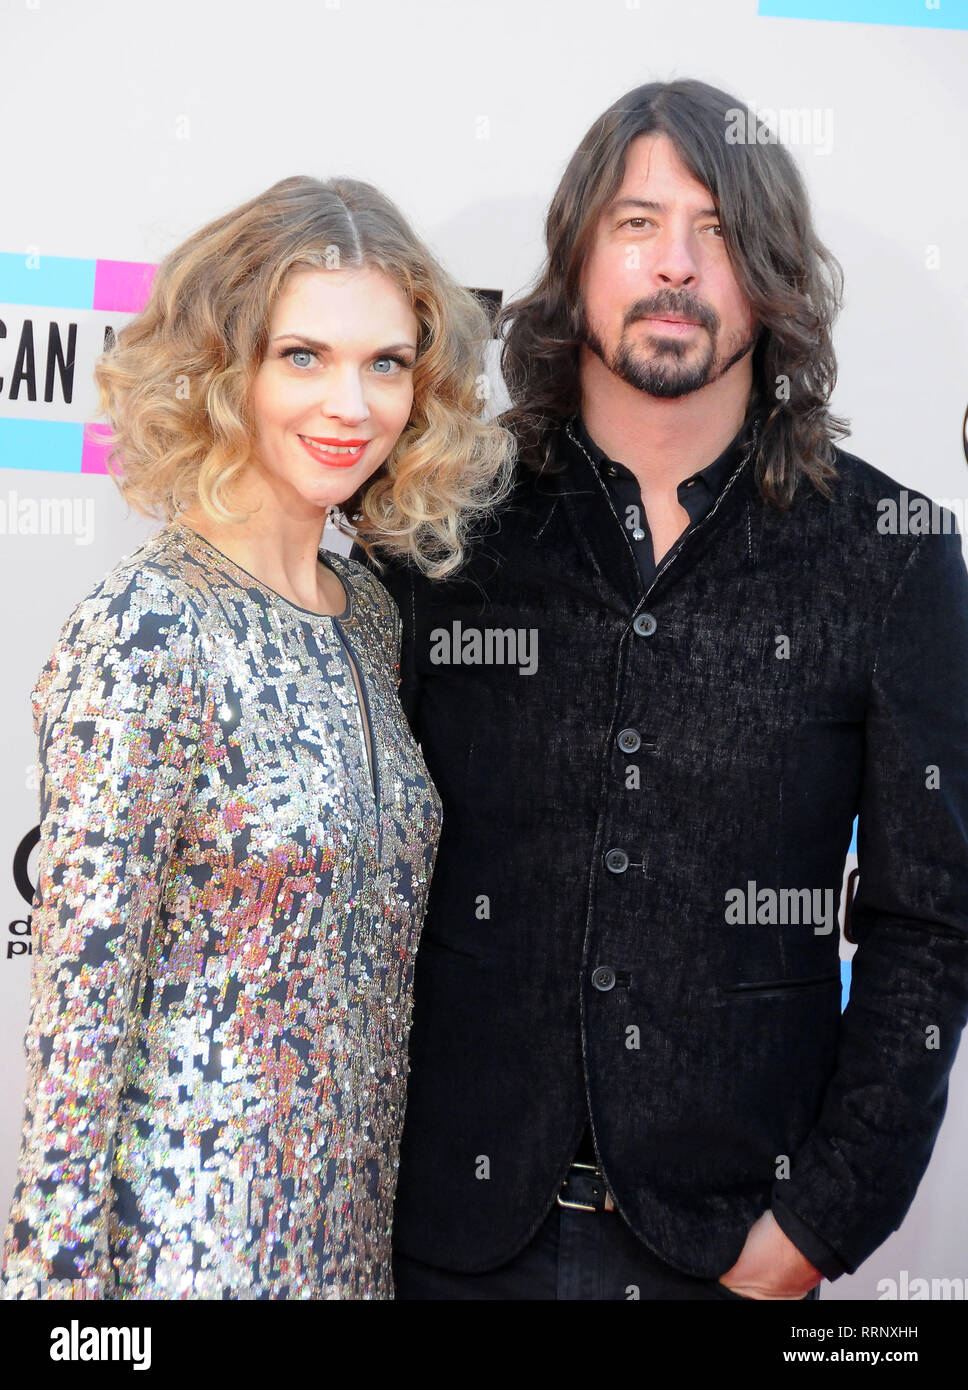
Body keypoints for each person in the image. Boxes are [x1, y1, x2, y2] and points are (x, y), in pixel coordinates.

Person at [352, 79, 968, 1300]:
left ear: (772, 277)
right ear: (574, 262)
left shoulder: (889, 552)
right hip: (439, 1240)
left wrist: (811, 1230)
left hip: (725, 1253)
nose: (674, 265)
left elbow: (930, 924)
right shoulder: (441, 531)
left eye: (719, 231)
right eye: (635, 224)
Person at [1, 174, 513, 1300]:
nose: (352, 402)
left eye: (385, 362)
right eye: (302, 355)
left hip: (346, 1258)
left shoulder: (368, 614)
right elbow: (79, 1038)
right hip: (181, 1264)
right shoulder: (151, 625)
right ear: (223, 367)